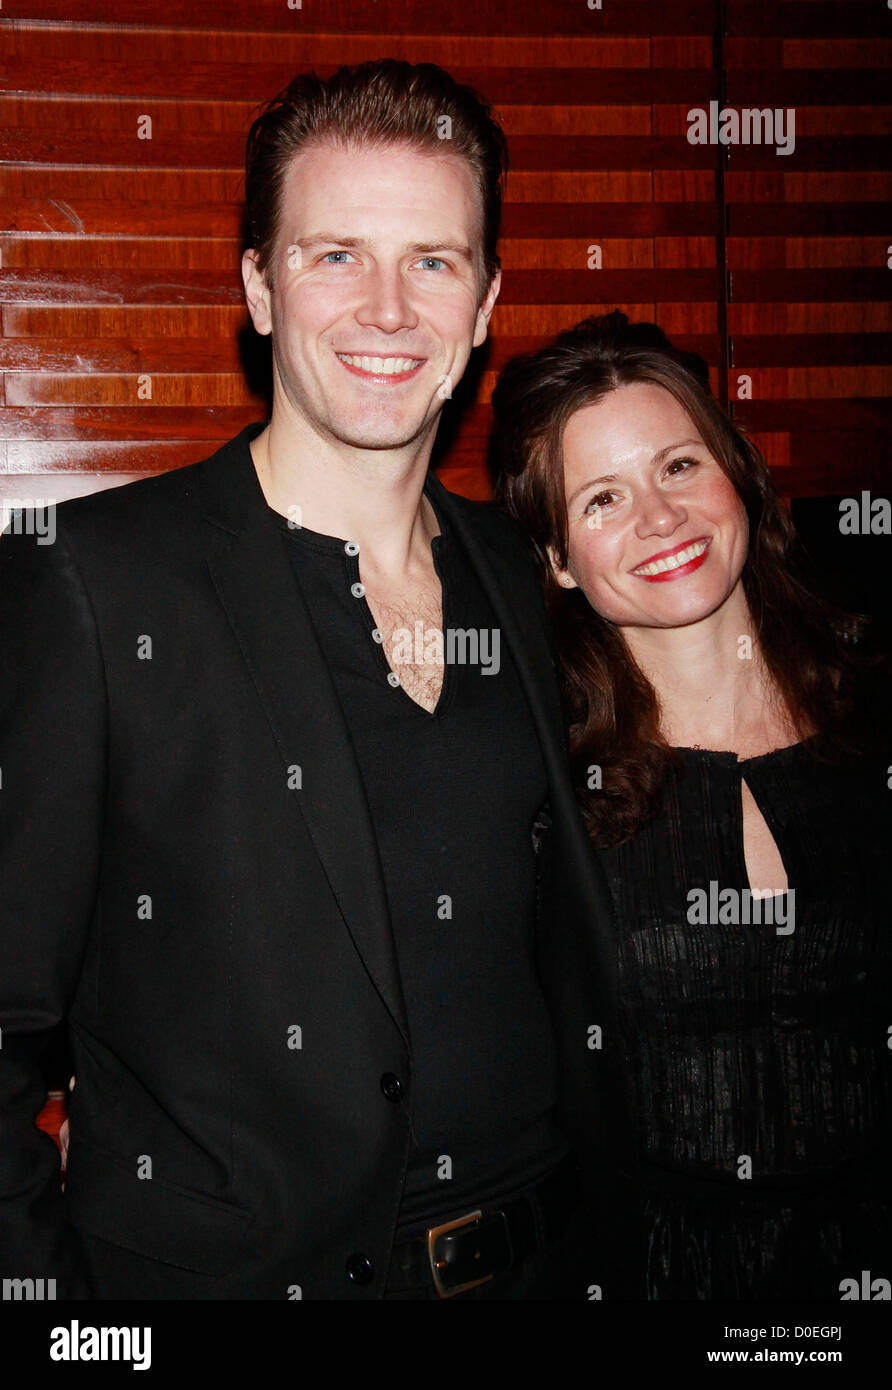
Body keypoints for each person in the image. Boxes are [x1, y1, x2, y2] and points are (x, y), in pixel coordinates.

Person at [0, 62, 637, 1301]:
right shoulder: (94, 586)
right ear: (256, 284)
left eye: (434, 262)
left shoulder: (535, 577)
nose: (387, 310)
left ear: (488, 300)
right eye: (334, 254)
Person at [492, 310, 892, 1299]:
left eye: (678, 467)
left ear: (737, 472)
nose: (658, 520)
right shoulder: (534, 784)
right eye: (601, 499)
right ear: (553, 557)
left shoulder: (875, 715)